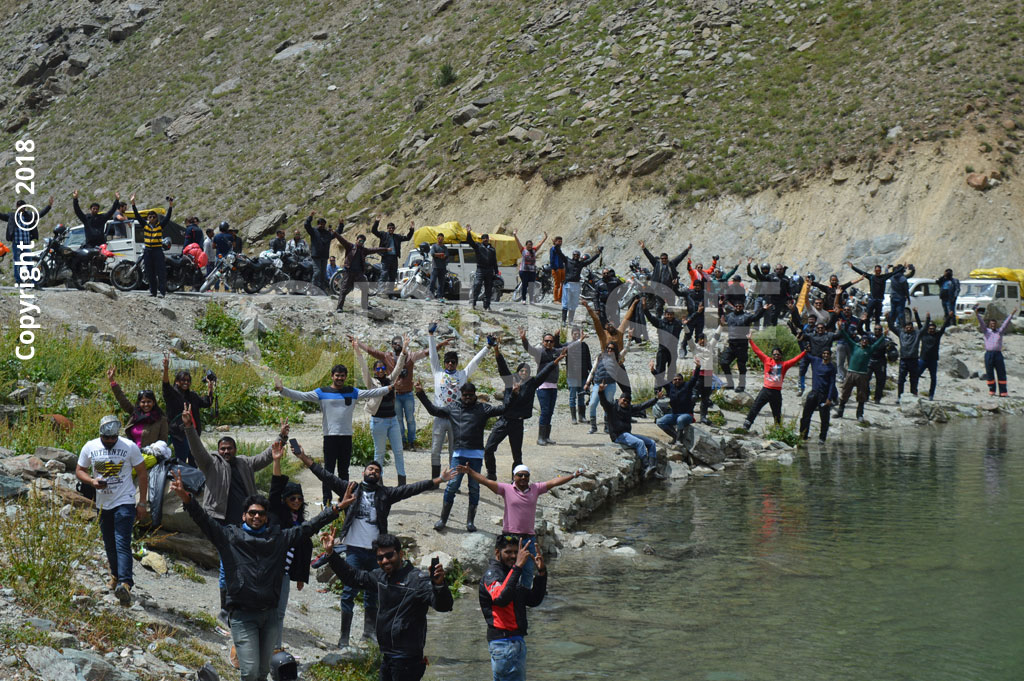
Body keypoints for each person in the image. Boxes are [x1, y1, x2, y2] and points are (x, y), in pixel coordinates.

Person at [170, 465, 341, 681]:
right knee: (249, 672)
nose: (257, 516)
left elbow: (307, 528)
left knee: (261, 673)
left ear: (266, 517)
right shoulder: (229, 537)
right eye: (252, 513)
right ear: (244, 516)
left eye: (261, 513)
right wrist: (187, 500)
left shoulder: (277, 539)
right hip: (243, 615)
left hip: (269, 615)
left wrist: (333, 511)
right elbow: (204, 521)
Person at [293, 447, 454, 650]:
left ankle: (368, 633)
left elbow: (410, 489)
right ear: (363, 473)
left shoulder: (385, 494)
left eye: (377, 471)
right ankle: (344, 637)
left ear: (380, 476)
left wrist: (438, 480)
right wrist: (303, 457)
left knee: (373, 593)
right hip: (354, 550)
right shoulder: (350, 489)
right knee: (348, 591)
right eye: (370, 469)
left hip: (376, 554)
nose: (373, 472)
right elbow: (325, 475)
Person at [322, 528, 453, 681]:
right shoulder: (380, 577)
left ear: (401, 554)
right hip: (387, 656)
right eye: (380, 558)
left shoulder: (417, 580)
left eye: (389, 555)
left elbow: (444, 606)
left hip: (408, 660)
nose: (385, 561)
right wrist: (331, 554)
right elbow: (353, 577)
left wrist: (439, 586)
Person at [274, 364, 391, 505]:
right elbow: (301, 396)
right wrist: (282, 390)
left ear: (345, 377)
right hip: (330, 437)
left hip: (346, 436)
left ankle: (344, 499)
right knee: (327, 471)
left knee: (344, 471)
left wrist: (389, 388)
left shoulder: (352, 392)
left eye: (342, 376)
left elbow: (371, 393)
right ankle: (327, 501)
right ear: (332, 376)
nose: (340, 378)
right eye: (337, 375)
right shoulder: (322, 392)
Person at [460, 463, 580, 587]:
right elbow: (485, 481)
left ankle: (524, 598)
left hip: (529, 539)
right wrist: (470, 471)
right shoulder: (506, 489)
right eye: (520, 475)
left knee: (528, 571)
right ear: (514, 476)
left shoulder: (535, 488)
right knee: (509, 570)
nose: (523, 478)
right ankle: (507, 596)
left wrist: (573, 475)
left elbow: (554, 482)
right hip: (511, 538)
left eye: (526, 475)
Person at [75, 415, 148, 606]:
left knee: (122, 541)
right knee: (108, 543)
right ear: (100, 434)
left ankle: (125, 583)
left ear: (117, 434)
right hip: (103, 503)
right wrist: (91, 481)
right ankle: (115, 576)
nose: (109, 442)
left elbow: (142, 472)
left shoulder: (129, 446)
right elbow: (79, 470)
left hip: (124, 501)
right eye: (106, 438)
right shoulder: (90, 446)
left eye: (112, 438)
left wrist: (142, 502)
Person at [415, 379, 505, 532]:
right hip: (458, 454)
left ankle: (470, 522)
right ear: (461, 395)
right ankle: (443, 519)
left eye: (471, 395)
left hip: (476, 455)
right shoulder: (453, 408)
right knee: (452, 486)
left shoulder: (483, 408)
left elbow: (503, 409)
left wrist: (514, 394)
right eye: (465, 395)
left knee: (474, 488)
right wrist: (421, 393)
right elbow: (433, 411)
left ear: (475, 395)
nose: (468, 397)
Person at [483, 340, 563, 479]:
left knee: (517, 455)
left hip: (517, 423)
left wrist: (555, 361)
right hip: (504, 420)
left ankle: (517, 480)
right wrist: (496, 350)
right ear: (518, 372)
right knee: (489, 448)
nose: (524, 372)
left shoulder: (532, 384)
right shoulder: (510, 381)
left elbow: (543, 373)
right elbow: (502, 367)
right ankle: (491, 474)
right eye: (522, 370)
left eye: (526, 371)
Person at [479, 535, 548, 681]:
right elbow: (501, 598)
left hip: (514, 643)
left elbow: (533, 599)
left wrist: (541, 574)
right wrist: (517, 567)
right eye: (508, 552)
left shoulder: (510, 574)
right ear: (497, 553)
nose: (513, 556)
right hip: (504, 644)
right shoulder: (492, 575)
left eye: (516, 552)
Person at [425, 324, 489, 478]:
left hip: (456, 418)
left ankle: (452, 480)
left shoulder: (462, 375)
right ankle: (436, 479)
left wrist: (487, 347)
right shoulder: (438, 372)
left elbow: (475, 361)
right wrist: (431, 335)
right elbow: (433, 355)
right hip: (440, 417)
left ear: (457, 363)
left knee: (454, 451)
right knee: (435, 449)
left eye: (453, 362)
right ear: (444, 362)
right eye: (448, 361)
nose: (451, 364)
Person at [267, 445, 311, 650]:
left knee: (280, 611)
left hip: (284, 574)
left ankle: (275, 646)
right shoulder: (276, 515)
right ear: (285, 500)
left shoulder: (300, 523)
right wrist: (276, 461)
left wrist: (301, 577)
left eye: (300, 499)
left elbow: (304, 550)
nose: (296, 501)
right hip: (269, 569)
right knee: (264, 608)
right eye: (292, 498)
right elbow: (275, 488)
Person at [356, 335, 429, 452]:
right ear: (391, 345)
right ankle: (402, 442)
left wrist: (435, 343)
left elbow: (400, 365)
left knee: (410, 419)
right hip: (393, 399)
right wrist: (358, 346)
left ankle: (411, 442)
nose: (397, 345)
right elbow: (371, 354)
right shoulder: (383, 365)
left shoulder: (409, 357)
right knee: (399, 420)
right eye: (395, 343)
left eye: (399, 343)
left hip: (408, 394)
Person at [355, 338, 410, 484]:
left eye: (382, 368)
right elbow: (363, 368)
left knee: (398, 451)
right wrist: (357, 351)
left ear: (385, 370)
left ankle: (402, 482)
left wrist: (404, 350)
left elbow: (398, 368)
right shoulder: (371, 383)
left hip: (393, 421)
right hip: (378, 421)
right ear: (374, 371)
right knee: (379, 453)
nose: (380, 371)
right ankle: (378, 482)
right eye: (377, 369)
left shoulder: (390, 379)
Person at [520, 328, 578, 446]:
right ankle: (540, 437)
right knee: (545, 411)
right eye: (546, 341)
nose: (549, 343)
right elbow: (529, 349)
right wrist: (524, 339)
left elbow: (567, 348)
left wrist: (578, 340)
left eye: (551, 341)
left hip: (553, 386)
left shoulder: (556, 351)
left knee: (550, 411)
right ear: (543, 342)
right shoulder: (539, 352)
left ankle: (546, 436)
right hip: (542, 386)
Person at [598, 382, 664, 478]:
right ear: (620, 399)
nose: (625, 403)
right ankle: (646, 467)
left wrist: (656, 399)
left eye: (628, 402)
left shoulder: (629, 408)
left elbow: (642, 405)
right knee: (640, 443)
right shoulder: (612, 407)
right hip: (618, 436)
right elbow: (603, 402)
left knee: (651, 443)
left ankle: (652, 468)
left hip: (628, 434)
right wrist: (600, 392)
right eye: (624, 400)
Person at [161, 353, 215, 466]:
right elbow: (165, 385)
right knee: (181, 460)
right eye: (183, 380)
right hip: (179, 434)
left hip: (193, 433)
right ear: (176, 381)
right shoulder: (172, 395)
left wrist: (210, 389)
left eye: (188, 380)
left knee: (194, 461)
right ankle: (180, 481)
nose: (186, 382)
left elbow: (207, 403)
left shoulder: (192, 396)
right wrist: (166, 369)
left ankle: (193, 482)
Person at [742, 338, 806, 430]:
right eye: (774, 354)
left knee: (777, 413)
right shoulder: (767, 360)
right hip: (765, 390)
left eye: (778, 354)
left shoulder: (784, 365)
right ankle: (747, 424)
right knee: (755, 407)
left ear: (781, 356)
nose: (776, 355)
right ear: (772, 355)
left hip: (776, 393)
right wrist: (750, 340)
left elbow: (796, 359)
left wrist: (805, 352)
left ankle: (777, 430)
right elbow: (757, 351)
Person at [834, 322, 888, 421]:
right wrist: (841, 329)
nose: (864, 342)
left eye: (866, 341)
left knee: (861, 395)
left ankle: (859, 415)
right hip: (850, 373)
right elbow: (847, 338)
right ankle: (840, 412)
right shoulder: (854, 346)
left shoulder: (870, 349)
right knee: (845, 392)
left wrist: (883, 336)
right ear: (860, 341)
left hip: (862, 375)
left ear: (868, 342)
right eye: (863, 340)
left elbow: (877, 343)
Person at [107, 366, 168, 448]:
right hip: (132, 454)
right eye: (143, 402)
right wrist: (112, 381)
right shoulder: (135, 414)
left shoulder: (161, 419)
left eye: (149, 402)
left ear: (154, 403)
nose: (146, 404)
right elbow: (122, 399)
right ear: (139, 403)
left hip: (152, 457)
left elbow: (163, 443)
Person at [583, 333, 633, 434]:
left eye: (612, 349)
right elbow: (593, 370)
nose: (609, 350)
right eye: (608, 348)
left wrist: (629, 340)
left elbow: (626, 350)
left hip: (610, 385)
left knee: (608, 406)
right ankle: (593, 426)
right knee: (592, 404)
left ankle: (607, 426)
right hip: (598, 384)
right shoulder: (600, 357)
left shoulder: (617, 358)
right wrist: (587, 382)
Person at [720, 299, 769, 392]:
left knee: (741, 366)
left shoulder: (746, 316)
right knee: (724, 363)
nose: (738, 308)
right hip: (731, 345)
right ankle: (730, 383)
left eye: (740, 306)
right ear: (734, 307)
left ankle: (741, 385)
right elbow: (722, 317)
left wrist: (763, 309)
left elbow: (756, 317)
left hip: (742, 346)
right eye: (736, 306)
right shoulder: (730, 316)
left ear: (743, 307)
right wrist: (720, 306)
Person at [334, 228, 388, 313]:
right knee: (344, 290)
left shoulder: (364, 250)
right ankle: (339, 307)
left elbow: (374, 249)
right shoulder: (350, 246)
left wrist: (385, 249)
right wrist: (335, 233)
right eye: (359, 240)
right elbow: (342, 240)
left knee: (365, 288)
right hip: (349, 272)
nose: (361, 242)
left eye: (362, 241)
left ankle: (365, 306)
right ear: (356, 240)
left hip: (359, 273)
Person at [132, 194, 174, 298]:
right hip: (148, 251)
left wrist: (170, 206)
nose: (151, 218)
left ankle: (162, 292)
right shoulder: (145, 225)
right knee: (149, 272)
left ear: (156, 218)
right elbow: (137, 215)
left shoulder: (160, 226)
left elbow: (168, 217)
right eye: (149, 217)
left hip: (157, 251)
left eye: (153, 217)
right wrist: (133, 204)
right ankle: (153, 291)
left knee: (160, 272)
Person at [3, 196, 52, 285]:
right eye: (21, 207)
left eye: (24, 207)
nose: (23, 209)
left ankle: (34, 282)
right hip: (17, 244)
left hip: (26, 244)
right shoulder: (12, 216)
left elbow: (39, 214)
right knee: (17, 262)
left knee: (29, 263)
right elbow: (2, 216)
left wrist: (49, 206)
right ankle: (18, 281)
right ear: (17, 207)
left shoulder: (28, 216)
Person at [653, 363, 702, 444]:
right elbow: (660, 379)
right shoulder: (670, 387)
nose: (677, 381)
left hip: (687, 415)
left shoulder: (687, 386)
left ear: (682, 380)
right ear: (672, 381)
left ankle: (679, 440)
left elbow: (695, 378)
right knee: (660, 421)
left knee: (680, 419)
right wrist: (653, 371)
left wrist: (698, 367)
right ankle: (675, 436)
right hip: (674, 415)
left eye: (679, 379)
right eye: (675, 379)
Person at [640, 239, 691, 314]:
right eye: (662, 259)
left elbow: (680, 257)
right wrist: (644, 248)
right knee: (660, 305)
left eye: (665, 258)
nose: (664, 260)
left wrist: (687, 250)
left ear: (667, 259)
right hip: (659, 288)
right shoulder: (657, 264)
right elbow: (649, 257)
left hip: (670, 289)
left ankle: (672, 321)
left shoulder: (671, 264)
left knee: (671, 306)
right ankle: (659, 320)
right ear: (660, 259)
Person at [799, 349, 838, 442]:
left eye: (827, 354)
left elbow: (832, 383)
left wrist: (829, 398)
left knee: (824, 418)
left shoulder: (832, 368)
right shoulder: (816, 361)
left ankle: (822, 438)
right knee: (805, 416)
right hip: (813, 393)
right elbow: (805, 354)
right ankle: (803, 436)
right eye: (824, 353)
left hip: (824, 396)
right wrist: (802, 342)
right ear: (822, 354)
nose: (825, 355)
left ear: (830, 355)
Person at [976, 306, 1017, 397]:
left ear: (996, 325)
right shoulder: (986, 331)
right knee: (990, 372)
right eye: (991, 324)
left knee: (1001, 372)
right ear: (989, 325)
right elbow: (981, 323)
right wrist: (977, 314)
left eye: (994, 324)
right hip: (989, 354)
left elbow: (1006, 323)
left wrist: (1012, 313)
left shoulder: (1000, 332)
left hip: (998, 354)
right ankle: (992, 390)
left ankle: (1003, 391)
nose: (993, 325)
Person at [642, 298, 684, 383]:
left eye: (671, 315)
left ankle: (671, 389)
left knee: (672, 371)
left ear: (673, 315)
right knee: (660, 371)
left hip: (672, 351)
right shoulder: (660, 323)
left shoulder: (678, 324)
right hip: (662, 350)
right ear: (665, 315)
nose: (669, 316)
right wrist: (645, 308)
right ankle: (658, 390)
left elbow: (688, 327)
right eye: (667, 315)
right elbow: (650, 318)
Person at [562, 246, 602, 325]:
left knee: (573, 303)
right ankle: (563, 321)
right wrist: (556, 246)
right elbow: (560, 254)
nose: (576, 256)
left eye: (577, 255)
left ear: (579, 256)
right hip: (568, 284)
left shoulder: (581, 263)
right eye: (575, 255)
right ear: (572, 255)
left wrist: (598, 253)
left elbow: (590, 260)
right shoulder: (567, 260)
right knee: (566, 303)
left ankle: (570, 321)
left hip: (576, 285)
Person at [892, 311, 925, 403]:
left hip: (914, 360)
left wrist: (917, 314)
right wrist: (888, 318)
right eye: (907, 327)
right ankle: (899, 397)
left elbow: (924, 328)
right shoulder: (901, 333)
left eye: (910, 326)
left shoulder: (917, 334)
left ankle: (914, 395)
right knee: (901, 380)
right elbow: (892, 327)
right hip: (903, 360)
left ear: (913, 328)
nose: (909, 328)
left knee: (914, 379)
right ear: (904, 328)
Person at [917, 312, 951, 400]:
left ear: (935, 329)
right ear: (927, 329)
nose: (931, 330)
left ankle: (931, 395)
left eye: (933, 329)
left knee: (933, 378)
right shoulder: (924, 334)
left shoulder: (937, 335)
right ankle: (914, 391)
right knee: (916, 375)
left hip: (933, 360)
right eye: (930, 328)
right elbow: (919, 324)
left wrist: (949, 317)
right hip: (923, 359)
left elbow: (944, 326)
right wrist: (916, 313)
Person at [372, 216, 414, 284]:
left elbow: (407, 238)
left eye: (392, 228)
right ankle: (381, 291)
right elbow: (374, 231)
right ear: (387, 228)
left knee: (393, 276)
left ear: (394, 229)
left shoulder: (397, 237)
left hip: (394, 258)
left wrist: (411, 229)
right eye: (389, 228)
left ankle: (390, 293)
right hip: (386, 257)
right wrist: (377, 221)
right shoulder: (383, 235)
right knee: (384, 274)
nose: (391, 229)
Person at [465, 228, 499, 310]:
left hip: (490, 270)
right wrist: (468, 232)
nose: (486, 240)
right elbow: (469, 241)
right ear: (482, 239)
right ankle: (473, 303)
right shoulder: (478, 246)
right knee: (477, 285)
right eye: (484, 238)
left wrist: (496, 271)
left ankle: (487, 306)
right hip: (480, 269)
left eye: (487, 238)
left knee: (488, 288)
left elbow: (494, 261)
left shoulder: (492, 249)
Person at [564, 326, 592, 425]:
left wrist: (591, 375)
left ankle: (582, 416)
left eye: (578, 334)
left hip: (583, 375)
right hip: (572, 375)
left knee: (582, 396)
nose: (577, 336)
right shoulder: (569, 346)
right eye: (575, 334)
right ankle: (573, 418)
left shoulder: (585, 346)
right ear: (572, 335)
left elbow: (588, 360)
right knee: (572, 397)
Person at [513, 230, 547, 303]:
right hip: (523, 271)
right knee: (525, 285)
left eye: (531, 244)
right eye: (528, 244)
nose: (530, 246)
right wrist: (515, 235)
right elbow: (518, 242)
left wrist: (545, 238)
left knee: (531, 285)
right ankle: (523, 299)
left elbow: (540, 244)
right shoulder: (523, 250)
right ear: (526, 245)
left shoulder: (534, 250)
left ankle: (531, 300)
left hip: (532, 271)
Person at [304, 212, 334, 291]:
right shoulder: (313, 231)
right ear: (318, 224)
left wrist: (341, 224)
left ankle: (321, 289)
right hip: (316, 256)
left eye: (324, 224)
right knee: (317, 272)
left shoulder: (327, 233)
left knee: (323, 274)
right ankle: (313, 288)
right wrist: (310, 216)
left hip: (324, 256)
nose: (322, 225)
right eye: (321, 224)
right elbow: (306, 225)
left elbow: (336, 234)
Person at [429, 233, 449, 300]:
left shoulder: (445, 247)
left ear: (443, 239)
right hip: (435, 267)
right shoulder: (434, 246)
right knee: (432, 281)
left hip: (442, 268)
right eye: (439, 238)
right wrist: (441, 254)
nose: (440, 239)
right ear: (437, 238)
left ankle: (440, 296)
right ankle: (430, 296)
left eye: (442, 238)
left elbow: (446, 255)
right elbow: (432, 254)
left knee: (441, 283)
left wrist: (437, 255)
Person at [548, 236, 567, 304]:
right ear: (555, 242)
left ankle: (560, 298)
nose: (560, 242)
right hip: (556, 269)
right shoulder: (553, 249)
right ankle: (556, 299)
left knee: (563, 283)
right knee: (557, 284)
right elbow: (552, 259)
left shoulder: (559, 249)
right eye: (559, 241)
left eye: (561, 241)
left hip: (561, 268)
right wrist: (554, 268)